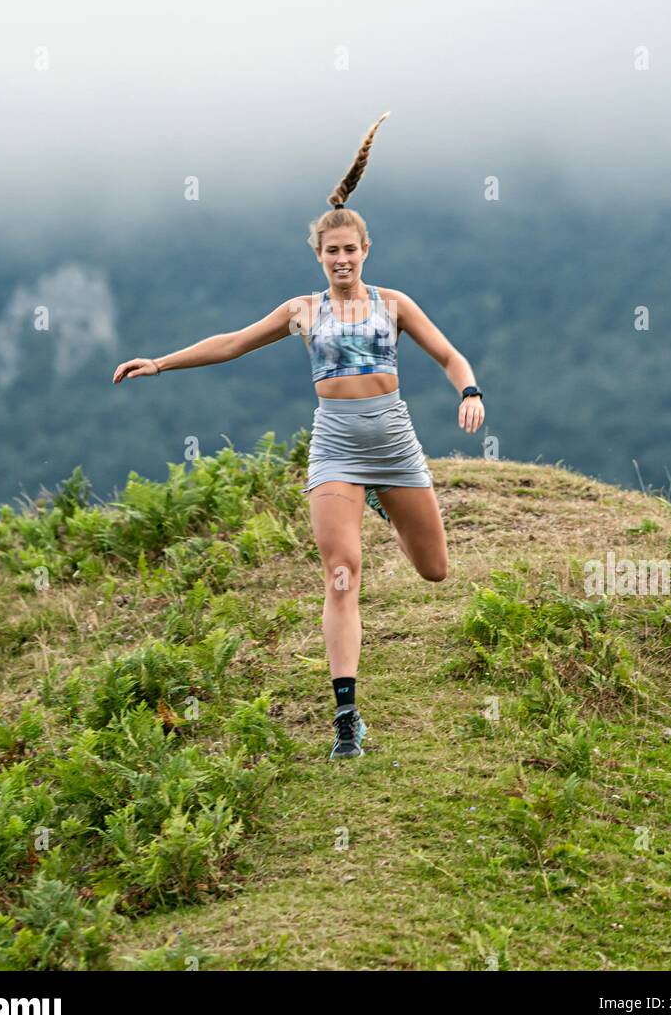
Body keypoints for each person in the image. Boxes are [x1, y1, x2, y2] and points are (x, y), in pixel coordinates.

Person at [112, 112, 485, 760]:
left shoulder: (394, 304)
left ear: (365, 251)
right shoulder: (301, 313)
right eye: (331, 251)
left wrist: (469, 390)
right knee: (342, 573)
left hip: (393, 442)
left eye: (350, 250)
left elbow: (450, 356)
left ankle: (383, 500)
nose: (341, 259)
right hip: (335, 446)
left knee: (434, 570)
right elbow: (231, 343)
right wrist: (161, 362)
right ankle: (347, 715)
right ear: (318, 256)